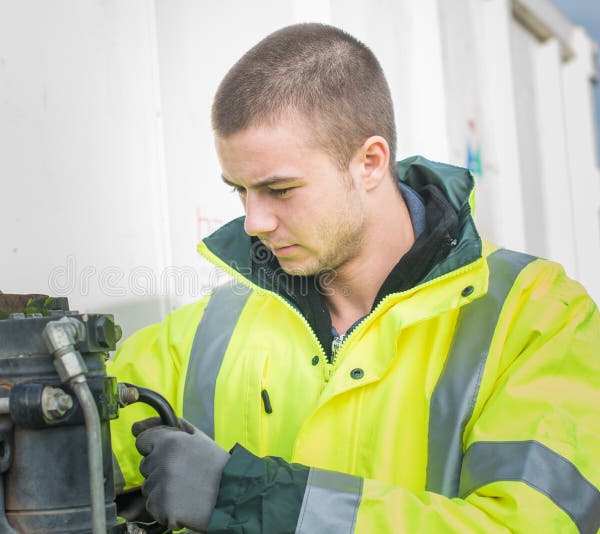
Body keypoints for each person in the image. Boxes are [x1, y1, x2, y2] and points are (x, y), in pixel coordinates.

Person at [108, 23, 600, 533]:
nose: (254, 222)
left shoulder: (540, 317)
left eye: (280, 190)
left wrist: (245, 500)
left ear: (369, 162)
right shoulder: (207, 331)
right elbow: (77, 443)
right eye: (240, 190)